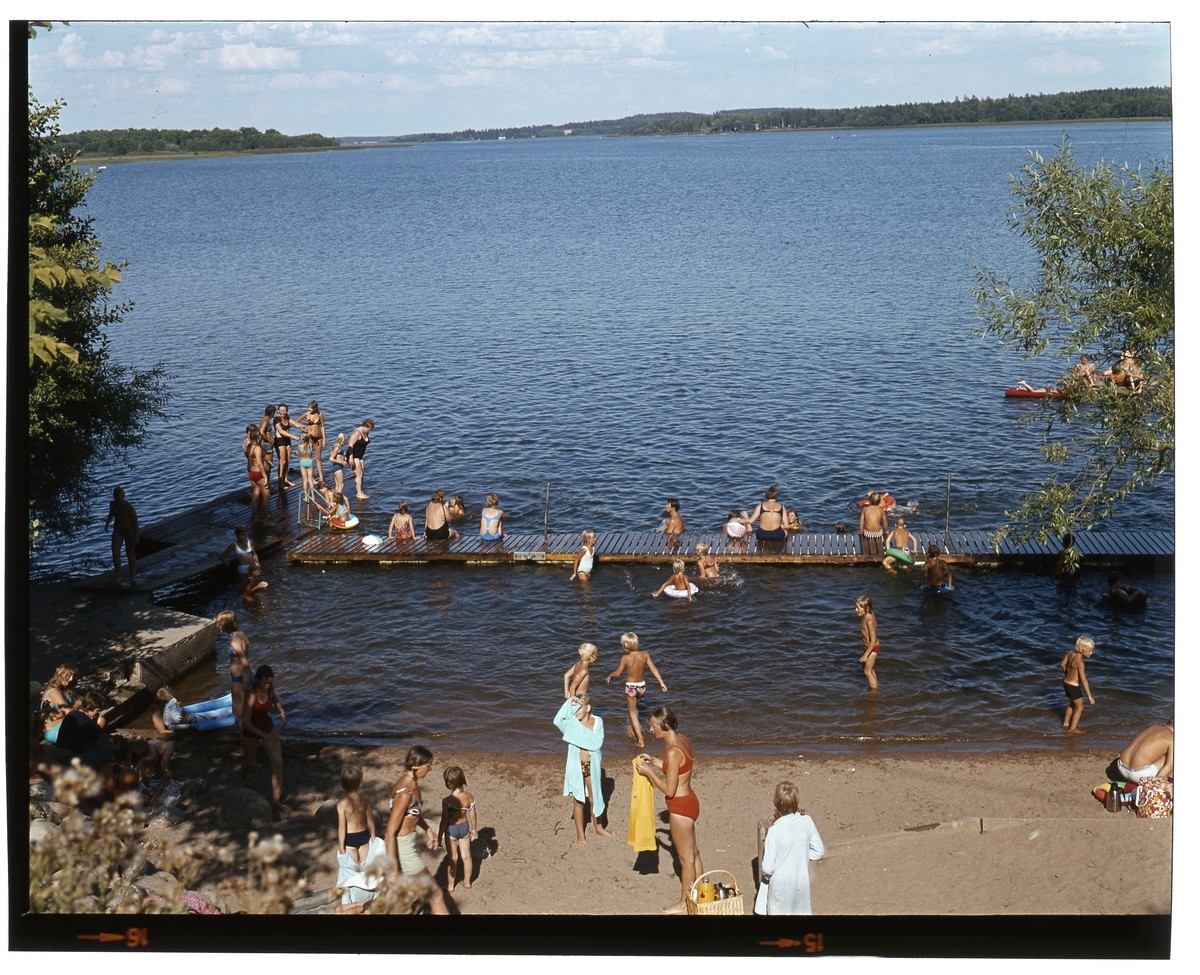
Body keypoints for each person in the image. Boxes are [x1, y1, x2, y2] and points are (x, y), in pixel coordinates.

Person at [635, 706, 702, 914]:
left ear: (664, 726)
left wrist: (649, 773)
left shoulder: (673, 751)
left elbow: (669, 790)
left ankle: (684, 902)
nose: (651, 730)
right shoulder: (681, 740)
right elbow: (678, 768)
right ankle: (700, 893)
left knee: (685, 859)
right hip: (690, 801)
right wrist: (654, 762)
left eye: (653, 726)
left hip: (680, 806)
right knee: (694, 854)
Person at [383, 745, 450, 913]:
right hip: (404, 850)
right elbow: (389, 833)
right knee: (436, 895)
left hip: (406, 846)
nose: (431, 769)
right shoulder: (404, 793)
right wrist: (393, 869)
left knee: (393, 896)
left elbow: (412, 814)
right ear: (417, 766)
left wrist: (427, 829)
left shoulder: (411, 784)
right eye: (428, 765)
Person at [754, 781, 825, 915]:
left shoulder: (774, 831)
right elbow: (819, 851)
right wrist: (800, 855)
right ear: (796, 802)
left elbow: (767, 868)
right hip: (801, 884)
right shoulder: (807, 821)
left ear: (776, 804)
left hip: (780, 888)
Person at [553, 694, 615, 846]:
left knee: (594, 799)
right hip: (576, 765)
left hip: (590, 766)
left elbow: (596, 743)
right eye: (575, 707)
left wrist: (575, 734)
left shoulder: (597, 722)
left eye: (579, 706)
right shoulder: (572, 723)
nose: (576, 710)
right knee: (579, 800)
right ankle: (580, 835)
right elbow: (557, 720)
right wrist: (569, 703)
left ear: (588, 708)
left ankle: (599, 828)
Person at [240, 664, 288, 817]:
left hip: (267, 726)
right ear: (258, 681)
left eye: (270, 682)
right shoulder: (251, 695)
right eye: (264, 683)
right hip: (251, 730)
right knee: (250, 762)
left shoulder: (270, 689)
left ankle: (276, 801)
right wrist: (263, 735)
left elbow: (274, 698)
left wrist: (281, 711)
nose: (267, 686)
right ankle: (242, 780)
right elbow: (245, 722)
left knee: (278, 763)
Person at [605, 631, 668, 749]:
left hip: (631, 687)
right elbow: (653, 669)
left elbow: (618, 673)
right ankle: (634, 730)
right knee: (635, 709)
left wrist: (610, 676)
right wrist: (661, 683)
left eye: (623, 645)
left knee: (632, 713)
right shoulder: (645, 654)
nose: (623, 647)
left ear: (627, 646)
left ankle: (640, 741)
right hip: (642, 687)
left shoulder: (625, 658)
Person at [437, 766, 478, 892]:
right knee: (466, 856)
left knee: (453, 858)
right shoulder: (469, 796)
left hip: (452, 829)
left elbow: (444, 821)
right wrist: (474, 829)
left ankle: (450, 886)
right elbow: (473, 814)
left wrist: (439, 837)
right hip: (464, 826)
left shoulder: (447, 801)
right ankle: (467, 882)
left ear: (449, 784)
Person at [55, 691, 113, 770]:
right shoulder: (89, 723)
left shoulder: (72, 714)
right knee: (108, 743)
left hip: (61, 751)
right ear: (90, 708)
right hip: (76, 757)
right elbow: (98, 744)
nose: (99, 713)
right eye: (97, 710)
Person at [216, 610, 252, 732]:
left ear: (225, 624)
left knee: (239, 713)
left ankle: (246, 744)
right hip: (247, 676)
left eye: (219, 623)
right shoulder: (242, 634)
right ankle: (255, 741)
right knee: (248, 712)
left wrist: (245, 685)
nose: (217, 626)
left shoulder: (234, 641)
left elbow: (245, 664)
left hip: (240, 679)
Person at [337, 764, 376, 866]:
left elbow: (342, 828)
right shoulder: (365, 798)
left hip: (350, 838)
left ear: (343, 784)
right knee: (365, 867)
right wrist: (373, 838)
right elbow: (370, 821)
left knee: (354, 870)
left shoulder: (341, 804)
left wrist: (341, 847)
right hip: (363, 835)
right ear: (359, 783)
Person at [1115, 719, 1173, 784]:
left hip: (1121, 767)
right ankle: (1157, 781)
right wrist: (1158, 782)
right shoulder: (1173, 737)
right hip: (1139, 775)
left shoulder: (1154, 727)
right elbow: (1170, 764)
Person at [1060, 635, 1095, 733]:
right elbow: (1084, 680)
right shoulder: (1080, 662)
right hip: (1074, 687)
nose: (1091, 653)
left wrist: (1066, 673)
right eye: (1089, 650)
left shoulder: (1071, 653)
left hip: (1066, 683)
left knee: (1072, 704)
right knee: (1080, 708)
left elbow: (1062, 664)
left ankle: (1066, 723)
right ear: (1082, 649)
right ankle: (1073, 729)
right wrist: (1089, 696)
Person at [105, 487, 139, 586]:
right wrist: (107, 524)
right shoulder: (112, 505)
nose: (119, 497)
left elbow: (135, 521)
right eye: (117, 495)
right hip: (118, 531)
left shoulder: (128, 506)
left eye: (121, 495)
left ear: (124, 495)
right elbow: (111, 514)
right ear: (114, 496)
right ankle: (119, 577)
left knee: (130, 553)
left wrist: (136, 536)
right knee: (115, 553)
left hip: (129, 531)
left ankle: (133, 577)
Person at [40, 665, 80, 745]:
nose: (71, 679)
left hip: (63, 725)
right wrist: (77, 705)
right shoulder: (53, 692)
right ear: (60, 675)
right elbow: (68, 711)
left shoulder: (63, 690)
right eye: (68, 676)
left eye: (73, 676)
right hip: (53, 730)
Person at [245, 428, 271, 527]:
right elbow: (260, 463)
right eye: (260, 435)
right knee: (266, 496)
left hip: (251, 472)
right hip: (258, 473)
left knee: (255, 495)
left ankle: (255, 518)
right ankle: (265, 519)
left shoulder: (249, 446)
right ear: (257, 436)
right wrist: (265, 476)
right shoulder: (257, 448)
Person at [855, 595, 880, 690]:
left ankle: (874, 692)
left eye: (858, 608)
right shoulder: (868, 615)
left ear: (867, 608)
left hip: (872, 647)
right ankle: (876, 684)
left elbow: (873, 640)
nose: (856, 610)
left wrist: (866, 655)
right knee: (868, 668)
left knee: (867, 671)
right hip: (868, 646)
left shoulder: (869, 621)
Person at [297, 401, 326, 481]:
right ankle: (311, 478)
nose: (309, 409)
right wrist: (303, 429)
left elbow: (323, 426)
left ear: (315, 408)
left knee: (318, 457)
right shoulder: (307, 414)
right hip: (310, 437)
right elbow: (297, 422)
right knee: (309, 457)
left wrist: (324, 439)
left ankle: (321, 477)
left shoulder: (320, 414)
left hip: (319, 437)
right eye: (309, 407)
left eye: (311, 408)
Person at [273, 404, 299, 489]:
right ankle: (281, 482)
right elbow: (280, 431)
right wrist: (293, 436)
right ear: (278, 411)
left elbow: (296, 424)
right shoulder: (276, 419)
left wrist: (305, 427)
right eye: (282, 411)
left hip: (288, 440)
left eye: (285, 411)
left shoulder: (287, 417)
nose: (283, 412)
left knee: (288, 461)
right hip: (280, 441)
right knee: (282, 462)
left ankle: (286, 479)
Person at [347, 419, 374, 500]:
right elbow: (350, 445)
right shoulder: (357, 433)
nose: (369, 432)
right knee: (359, 475)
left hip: (360, 456)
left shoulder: (365, 432)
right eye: (369, 430)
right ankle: (359, 494)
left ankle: (361, 491)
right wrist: (350, 458)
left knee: (361, 474)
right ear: (365, 427)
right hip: (353, 456)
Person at [858, 490, 889, 556]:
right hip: (878, 534)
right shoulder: (881, 510)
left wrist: (861, 532)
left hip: (867, 533)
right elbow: (885, 523)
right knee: (880, 530)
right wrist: (885, 531)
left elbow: (861, 522)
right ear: (879, 502)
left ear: (869, 500)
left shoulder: (865, 509)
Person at [258, 405, 277, 485]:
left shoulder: (263, 420)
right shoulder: (266, 421)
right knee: (268, 467)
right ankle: (267, 485)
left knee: (265, 465)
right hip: (267, 445)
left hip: (264, 445)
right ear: (271, 413)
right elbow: (261, 432)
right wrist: (269, 439)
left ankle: (265, 483)